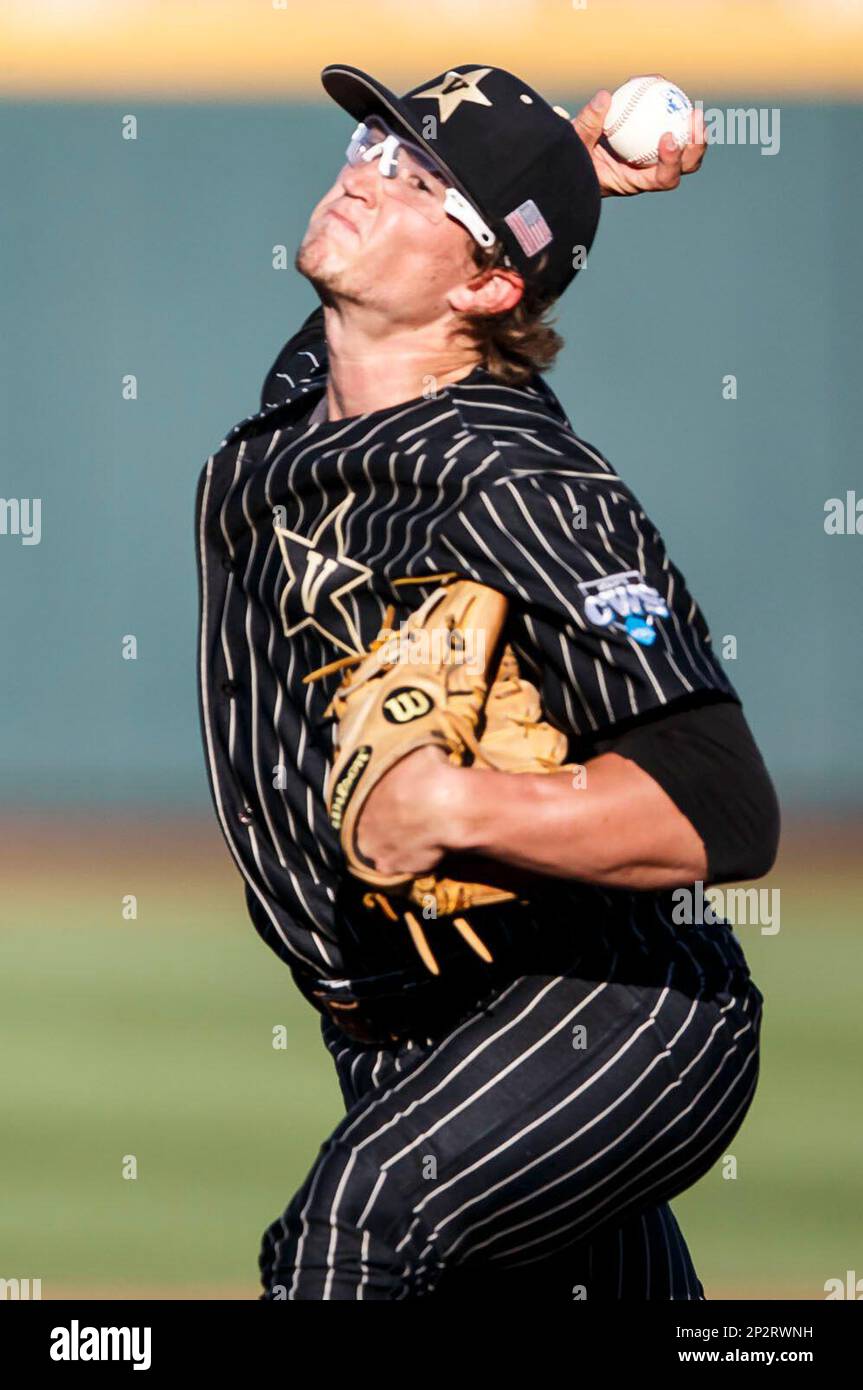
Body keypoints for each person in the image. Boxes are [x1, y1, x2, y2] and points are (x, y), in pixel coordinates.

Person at [196, 63, 779, 1300]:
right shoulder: (305, 415)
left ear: (484, 283)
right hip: (414, 1037)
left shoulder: (522, 484)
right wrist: (551, 161)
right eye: (373, 143)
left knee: (345, 1235)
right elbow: (391, 320)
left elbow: (723, 809)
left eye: (418, 178)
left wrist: (459, 808)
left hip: (606, 1013)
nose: (364, 175)